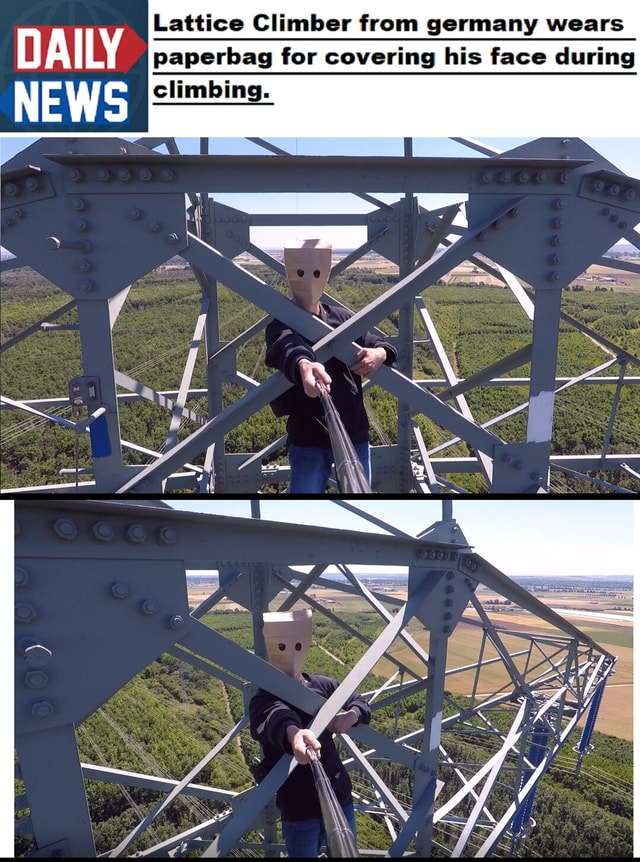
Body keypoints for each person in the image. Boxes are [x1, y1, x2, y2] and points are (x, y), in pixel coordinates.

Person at [266, 239, 397, 493]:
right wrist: (304, 365)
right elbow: (288, 346)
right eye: (300, 273)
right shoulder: (280, 325)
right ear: (289, 275)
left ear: (325, 274)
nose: (309, 280)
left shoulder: (342, 317)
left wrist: (380, 353)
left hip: (353, 430)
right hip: (308, 435)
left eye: (316, 273)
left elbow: (377, 341)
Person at [249, 610, 371, 858]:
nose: (291, 652)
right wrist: (294, 735)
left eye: (297, 644)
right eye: (282, 645)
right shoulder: (264, 698)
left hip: (339, 796)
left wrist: (352, 715)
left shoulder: (323, 685)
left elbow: (359, 700)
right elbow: (275, 716)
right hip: (299, 807)